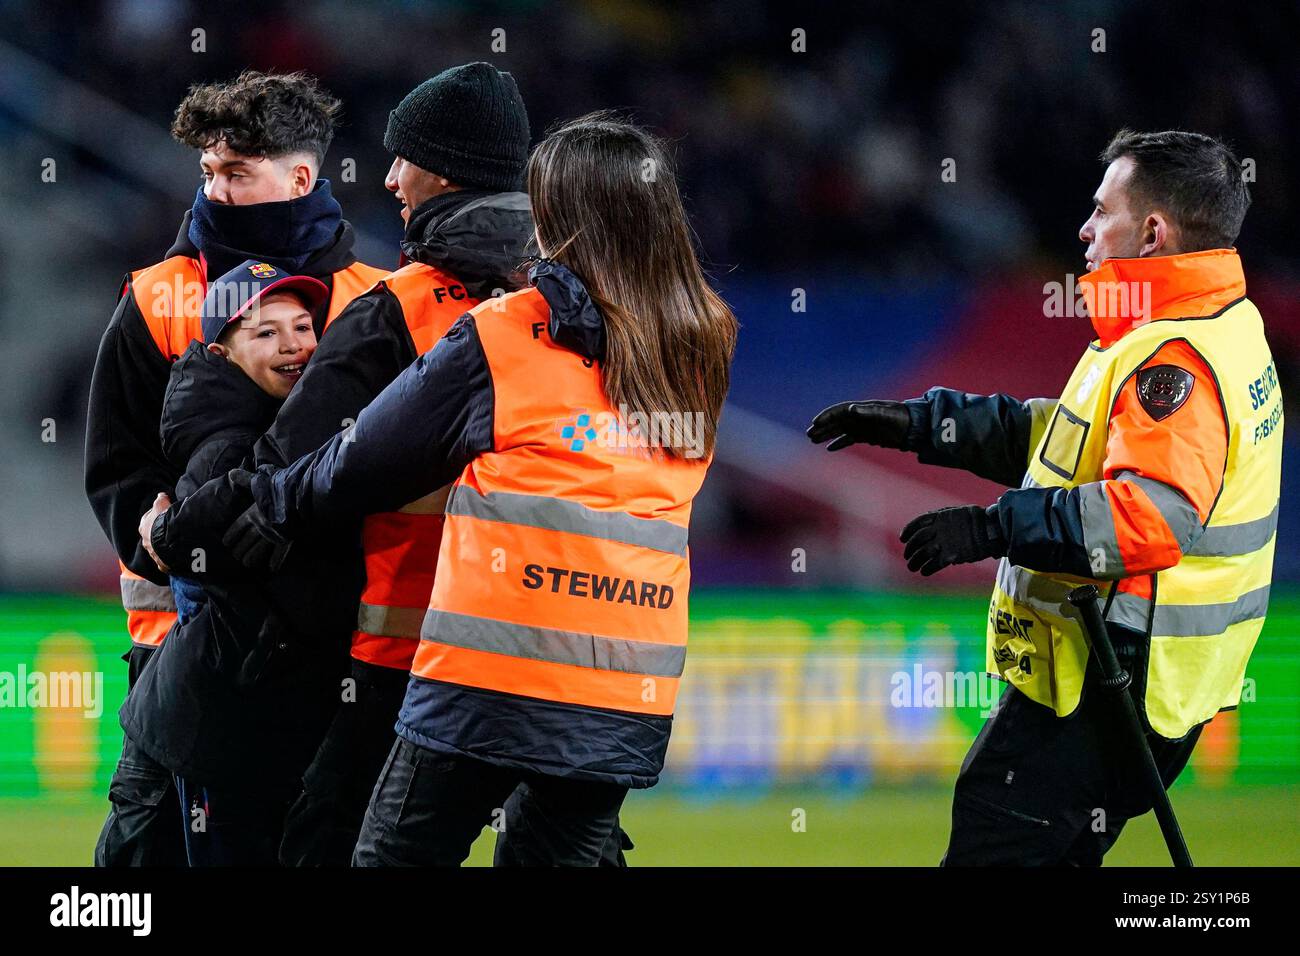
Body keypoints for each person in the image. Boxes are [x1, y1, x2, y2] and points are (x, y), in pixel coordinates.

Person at [154, 112, 739, 866]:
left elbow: (361, 460)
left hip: (490, 676)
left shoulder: (511, 330)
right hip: (626, 693)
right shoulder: (703, 339)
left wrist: (260, 506)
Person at [808, 129, 1281, 865]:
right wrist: (923, 425)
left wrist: (992, 528)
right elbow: (1067, 443)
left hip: (1110, 681)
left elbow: (1151, 517)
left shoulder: (1173, 357)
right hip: (1135, 685)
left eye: (1102, 211)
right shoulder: (1212, 330)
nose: (1085, 230)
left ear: (1152, 233)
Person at [85, 70, 387, 867]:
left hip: (337, 655)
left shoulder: (375, 300)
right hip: (181, 643)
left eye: (236, 172)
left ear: (300, 176)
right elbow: (115, 464)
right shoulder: (157, 296)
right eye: (208, 172)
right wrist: (158, 541)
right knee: (136, 869)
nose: (214, 191)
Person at [124, 261, 337, 865]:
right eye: (266, 333)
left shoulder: (267, 422)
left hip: (236, 714)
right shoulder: (229, 441)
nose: (295, 344)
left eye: (302, 326)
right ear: (224, 349)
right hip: (229, 721)